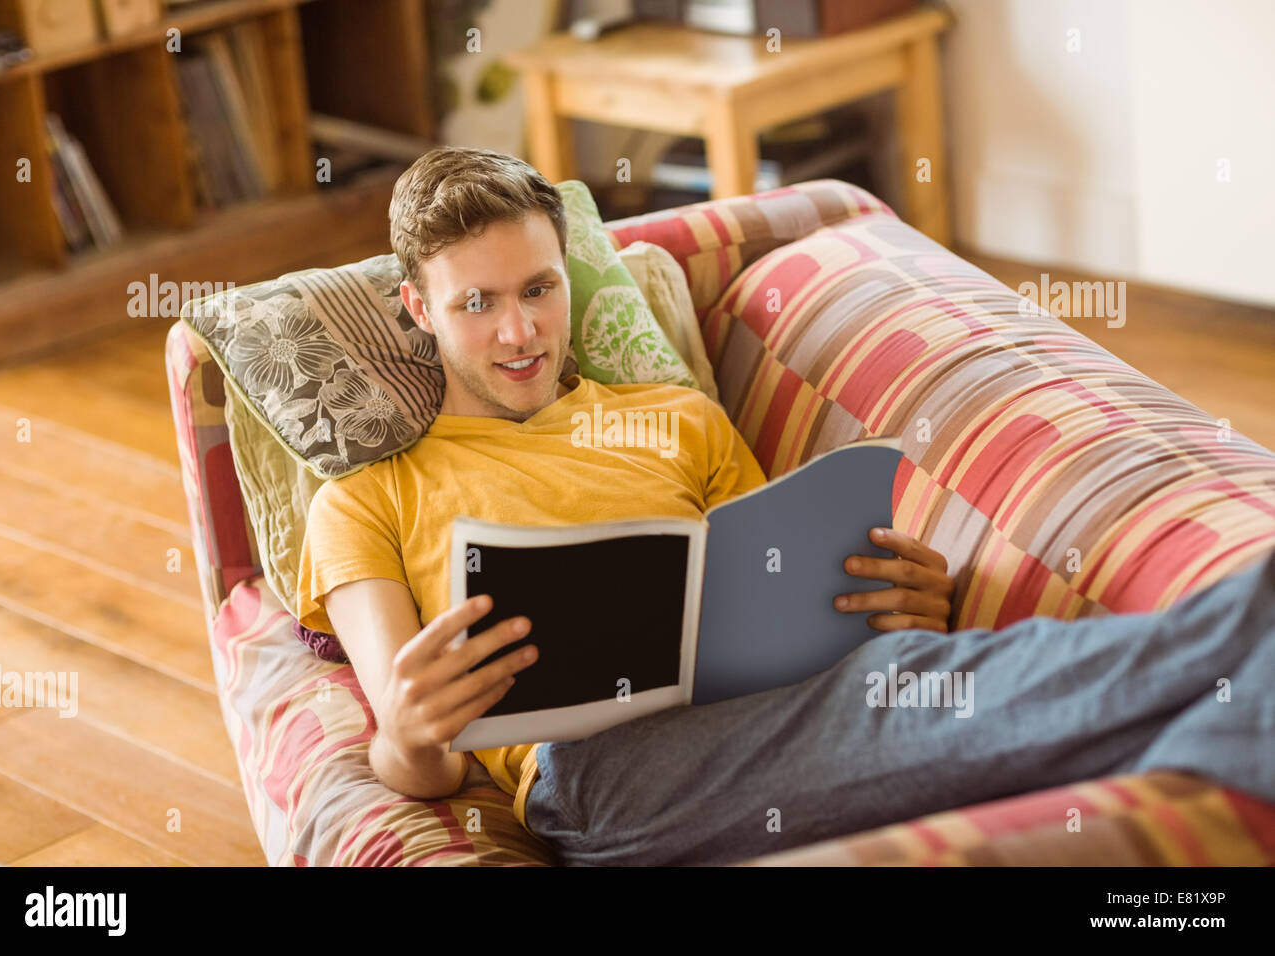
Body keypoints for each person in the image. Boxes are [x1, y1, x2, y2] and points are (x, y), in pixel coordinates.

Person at [296, 146, 1274, 866]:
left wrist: (886, 598)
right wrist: (414, 733)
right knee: (951, 708)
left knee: (956, 684)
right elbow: (402, 754)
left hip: (802, 706)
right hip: (600, 771)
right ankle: (1247, 635)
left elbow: (781, 596)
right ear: (417, 308)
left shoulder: (678, 418)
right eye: (476, 304)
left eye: (539, 289)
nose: (519, 331)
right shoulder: (365, 497)